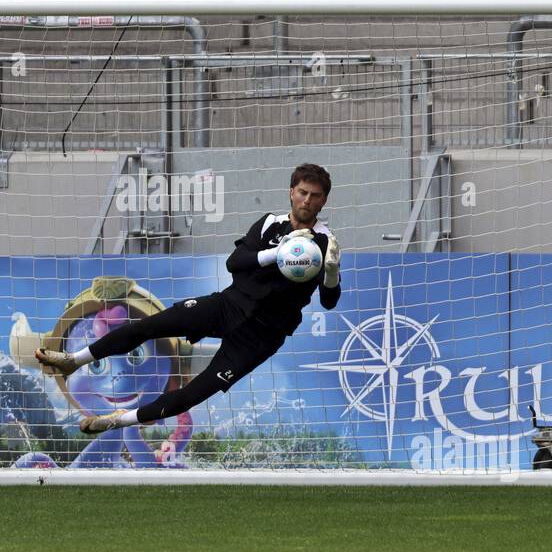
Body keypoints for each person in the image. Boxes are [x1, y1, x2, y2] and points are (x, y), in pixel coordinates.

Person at [35, 163, 342, 433]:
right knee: (149, 325)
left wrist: (330, 274)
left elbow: (329, 301)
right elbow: (235, 263)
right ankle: (73, 361)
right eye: (303, 192)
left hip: (261, 336)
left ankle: (117, 420)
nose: (307, 200)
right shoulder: (269, 223)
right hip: (227, 306)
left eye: (315, 196)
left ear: (324, 200)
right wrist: (277, 253)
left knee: (193, 394)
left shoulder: (325, 243)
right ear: (291, 192)